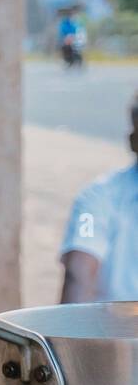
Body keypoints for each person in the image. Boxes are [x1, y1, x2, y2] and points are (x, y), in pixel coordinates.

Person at [60, 94, 138, 303]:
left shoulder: (98, 199)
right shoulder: (95, 202)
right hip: (113, 334)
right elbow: (79, 275)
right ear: (133, 141)